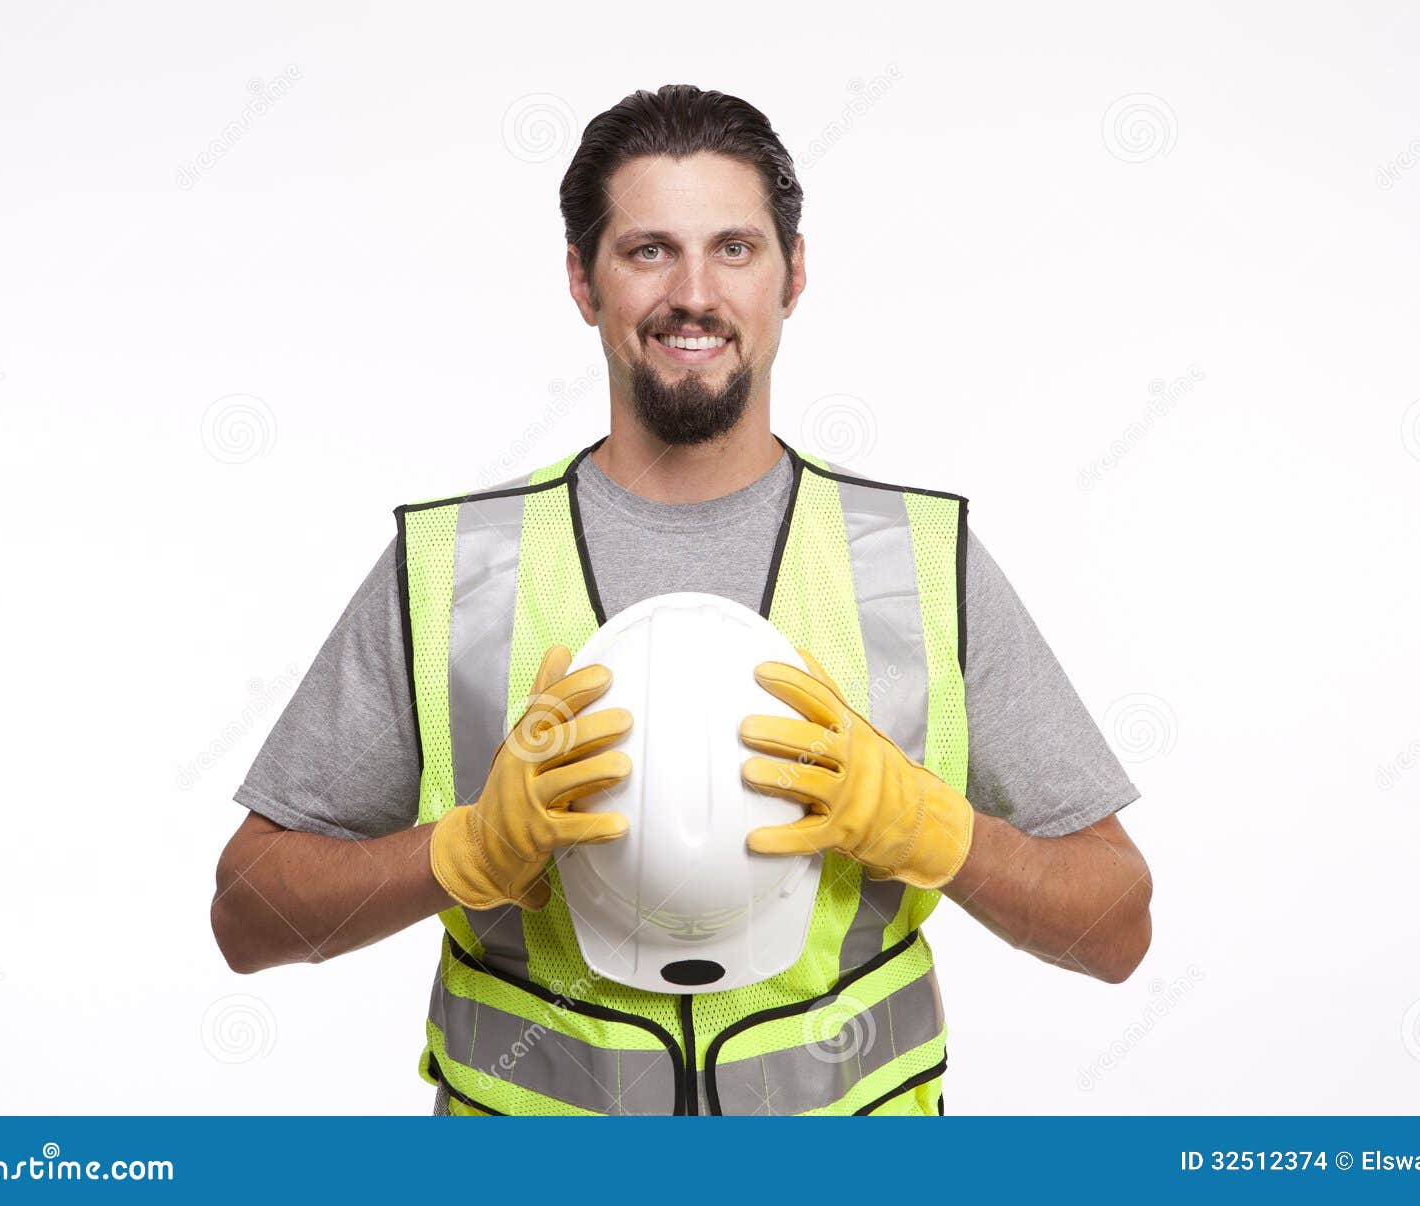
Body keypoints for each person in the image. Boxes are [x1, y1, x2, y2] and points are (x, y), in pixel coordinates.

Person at [211, 84, 1152, 1116]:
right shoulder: (455, 566)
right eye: (648, 250)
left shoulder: (918, 561)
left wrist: (933, 829)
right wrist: (463, 851)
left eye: (735, 249)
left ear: (793, 275)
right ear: (583, 279)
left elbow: (1114, 927)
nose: (693, 293)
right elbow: (248, 918)